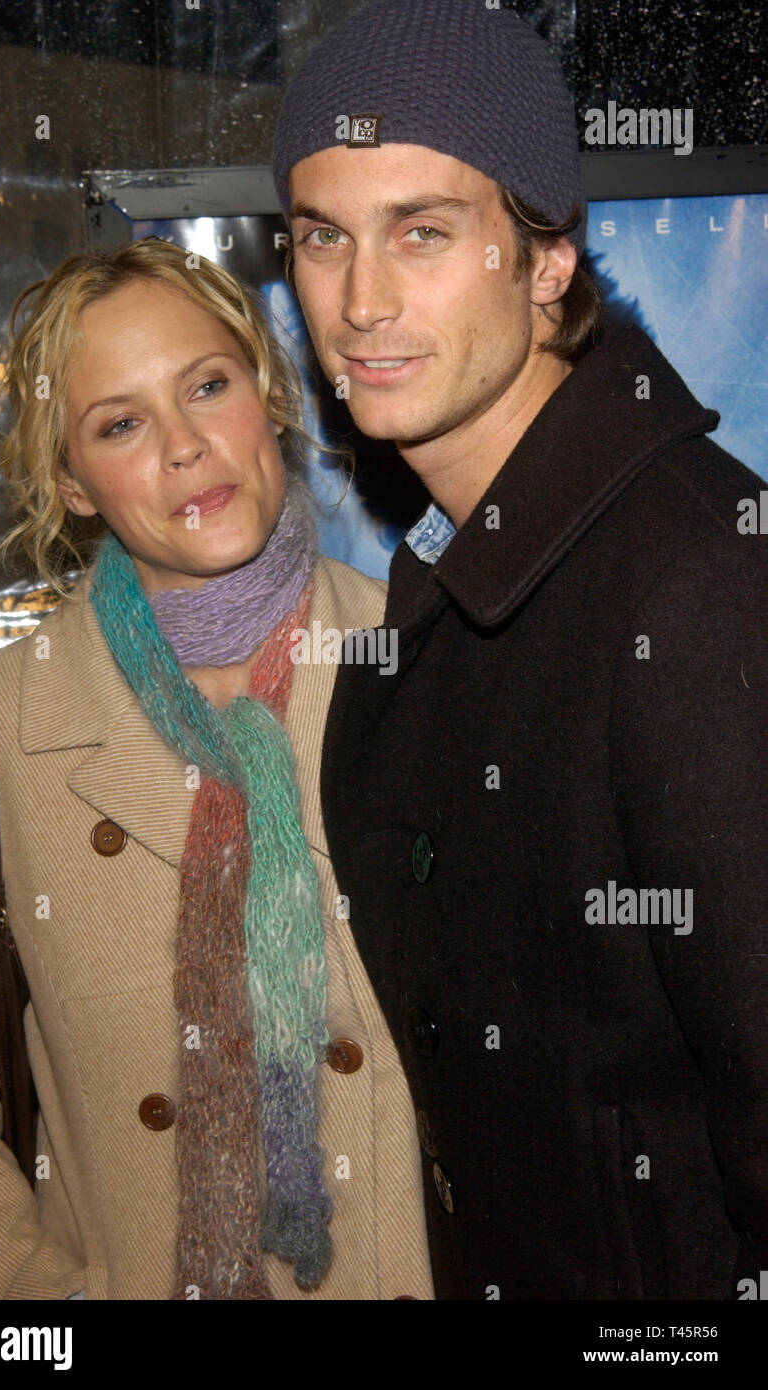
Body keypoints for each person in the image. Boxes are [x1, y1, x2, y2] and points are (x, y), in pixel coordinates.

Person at [271, 0, 768, 1300]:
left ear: (546, 258)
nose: (359, 301)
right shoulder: (462, 555)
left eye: (421, 233)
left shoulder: (690, 577)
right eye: (321, 237)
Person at [0, 236, 435, 1300]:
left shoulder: (432, 663)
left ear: (272, 395)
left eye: (207, 385)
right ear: (68, 481)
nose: (186, 446)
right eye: (120, 423)